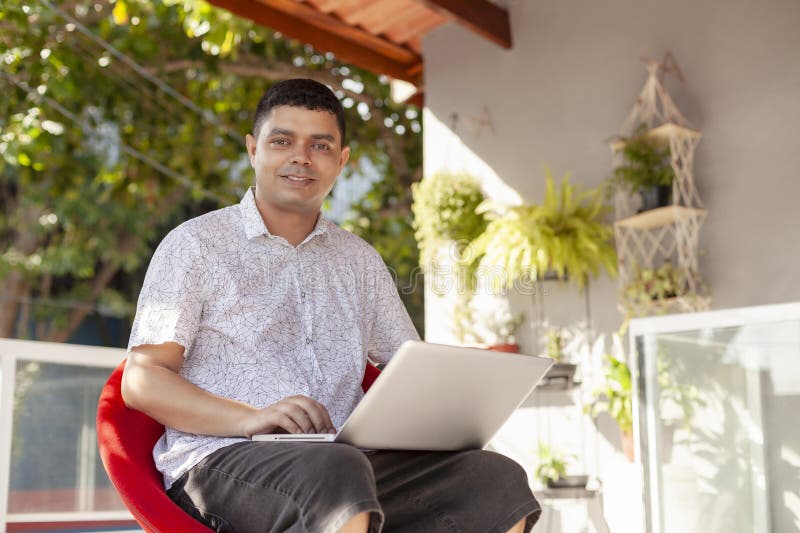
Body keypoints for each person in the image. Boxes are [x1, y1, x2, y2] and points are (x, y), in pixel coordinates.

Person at [121, 78, 541, 533]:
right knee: (335, 471)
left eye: (320, 145)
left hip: (349, 464)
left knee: (494, 479)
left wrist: (462, 396)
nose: (300, 157)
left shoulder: (359, 259)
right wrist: (252, 419)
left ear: (341, 161)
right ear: (253, 149)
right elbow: (142, 380)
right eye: (282, 141)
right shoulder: (195, 245)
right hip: (224, 461)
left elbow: (409, 366)